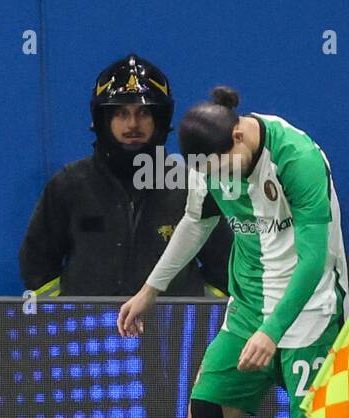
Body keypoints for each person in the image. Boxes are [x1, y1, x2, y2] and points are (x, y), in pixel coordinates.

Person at [117, 87, 349, 418]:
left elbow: (314, 260)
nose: (221, 178)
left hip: (309, 311)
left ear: (240, 134)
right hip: (248, 310)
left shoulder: (299, 158)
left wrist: (274, 330)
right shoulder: (207, 160)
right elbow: (195, 224)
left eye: (228, 164)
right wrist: (150, 290)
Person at [20, 54, 230, 297]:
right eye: (121, 113)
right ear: (103, 120)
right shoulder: (69, 185)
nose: (132, 124)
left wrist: (189, 317)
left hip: (170, 333)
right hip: (89, 333)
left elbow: (227, 269)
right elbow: (36, 264)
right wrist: (69, 315)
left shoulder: (191, 187)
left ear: (159, 120)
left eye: (143, 113)